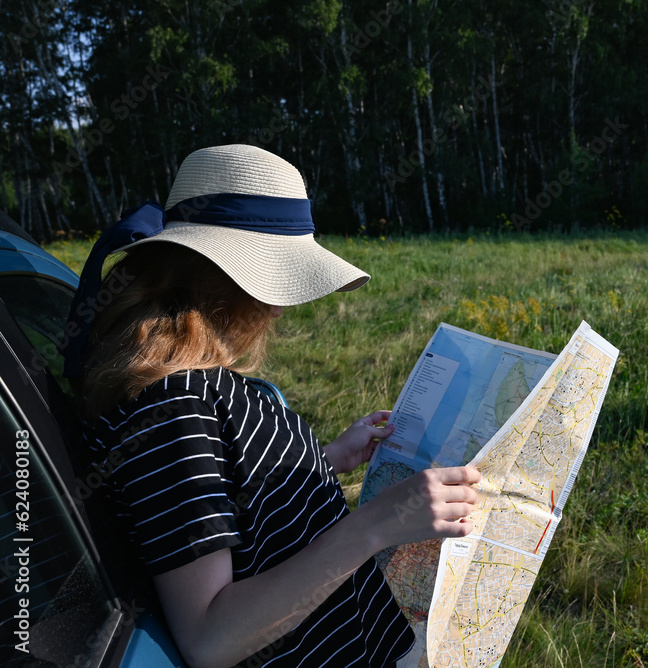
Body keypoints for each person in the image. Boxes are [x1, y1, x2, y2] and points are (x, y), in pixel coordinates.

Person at [64, 144, 480, 668]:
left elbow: (214, 510)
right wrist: (375, 525)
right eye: (274, 283)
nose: (279, 307)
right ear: (223, 282)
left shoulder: (181, 390)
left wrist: (321, 462)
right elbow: (210, 637)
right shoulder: (175, 412)